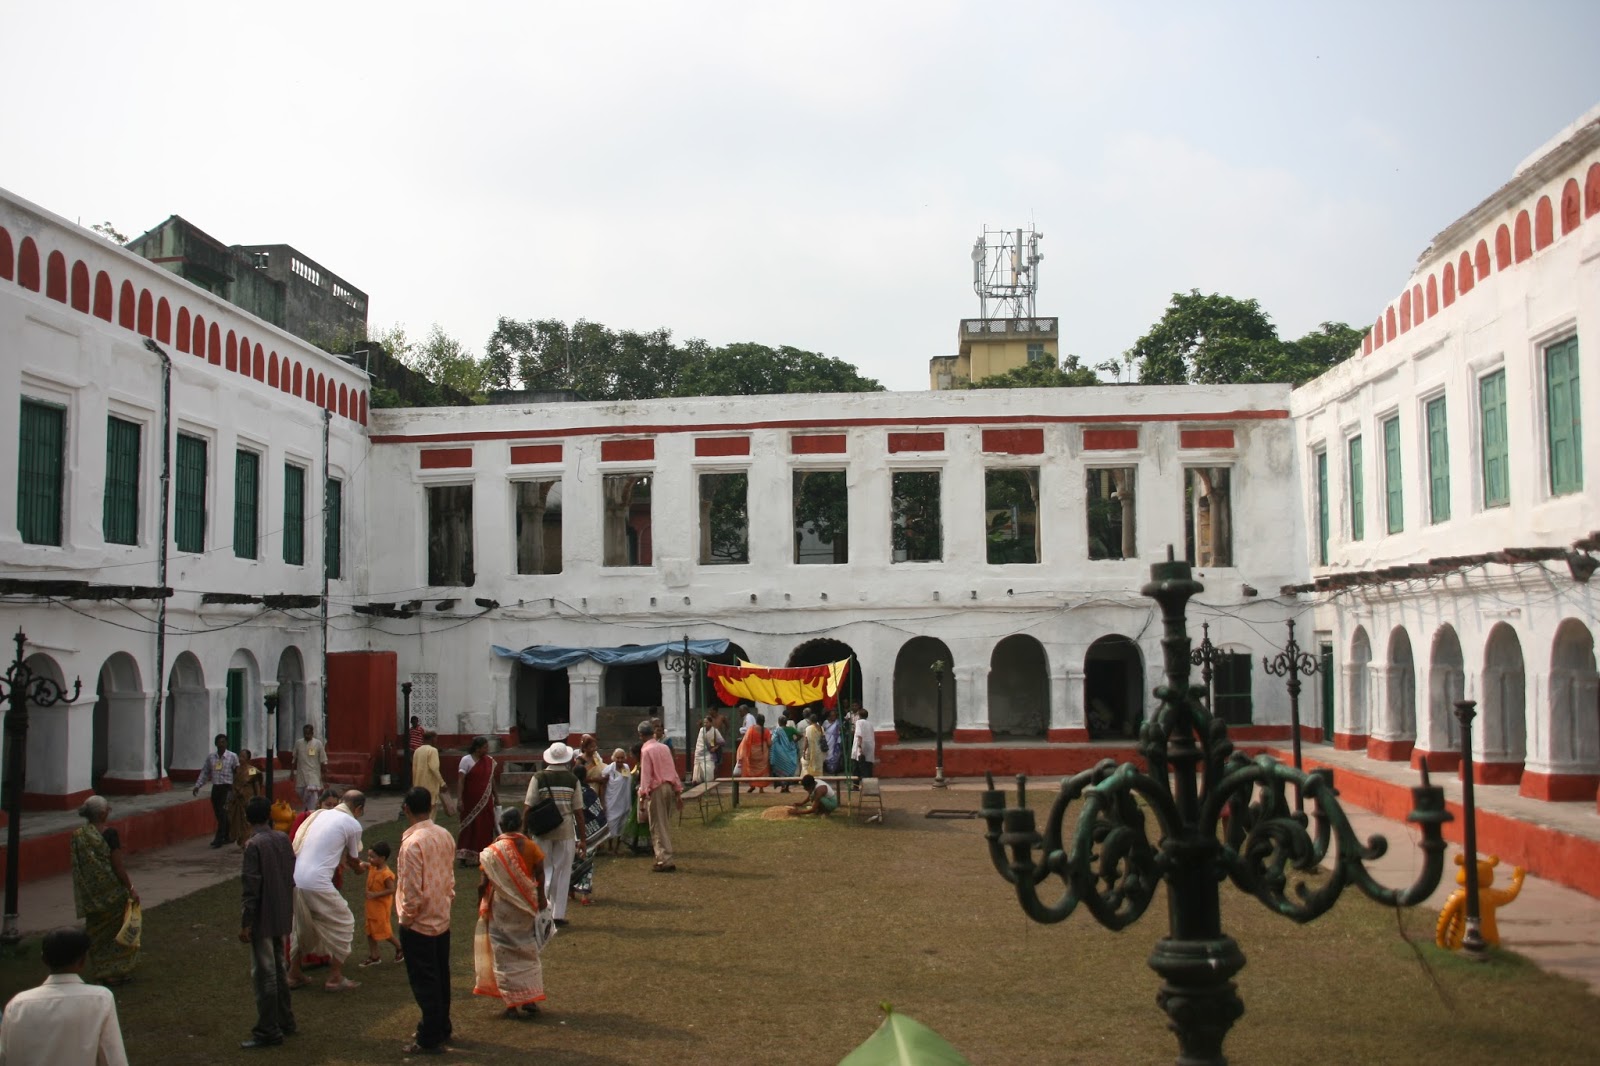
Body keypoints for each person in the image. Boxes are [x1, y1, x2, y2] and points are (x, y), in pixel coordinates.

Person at [0, 927, 128, 1065]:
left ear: (44, 959)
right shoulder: (101, 999)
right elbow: (113, 1058)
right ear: (82, 961)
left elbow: (5, 1056)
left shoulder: (17, 1005)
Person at [287, 790, 368, 993]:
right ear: (358, 809)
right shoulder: (352, 824)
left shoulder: (320, 814)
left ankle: (294, 973)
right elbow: (353, 861)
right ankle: (335, 977)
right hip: (317, 881)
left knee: (302, 924)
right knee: (345, 922)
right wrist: (362, 868)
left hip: (297, 878)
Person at [397, 785, 457, 1056]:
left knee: (425, 981)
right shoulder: (444, 835)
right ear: (431, 806)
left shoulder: (412, 844)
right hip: (440, 915)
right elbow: (448, 876)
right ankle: (441, 1026)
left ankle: (431, 1036)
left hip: (420, 922)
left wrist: (407, 920)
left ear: (406, 809)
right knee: (440, 976)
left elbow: (412, 892)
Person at [473, 807, 549, 1019]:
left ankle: (511, 1005)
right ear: (520, 825)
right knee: (527, 951)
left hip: (502, 908)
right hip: (526, 906)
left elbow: (483, 883)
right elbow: (540, 873)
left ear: (502, 826)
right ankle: (530, 1000)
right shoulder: (531, 846)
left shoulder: (492, 851)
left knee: (503, 954)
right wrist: (541, 899)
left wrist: (480, 902)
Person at [239, 795, 296, 1050]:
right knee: (279, 968)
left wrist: (246, 922)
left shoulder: (254, 845)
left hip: (263, 914)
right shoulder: (282, 839)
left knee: (266, 974)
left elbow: (251, 886)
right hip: (282, 910)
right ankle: (285, 1020)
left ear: (248, 819)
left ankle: (268, 1029)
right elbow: (290, 873)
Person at [68, 795, 139, 986]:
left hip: (91, 895)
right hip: (113, 893)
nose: (109, 811)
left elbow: (80, 867)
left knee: (97, 934)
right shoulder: (110, 834)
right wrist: (130, 888)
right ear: (101, 813)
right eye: (107, 809)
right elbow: (118, 867)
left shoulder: (78, 836)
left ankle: (101, 971)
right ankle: (116, 971)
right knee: (118, 932)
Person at [524, 743, 585, 925]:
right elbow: (579, 812)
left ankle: (542, 911)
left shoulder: (539, 777)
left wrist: (523, 831)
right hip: (565, 829)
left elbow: (528, 806)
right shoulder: (573, 780)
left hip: (542, 830)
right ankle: (558, 914)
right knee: (562, 871)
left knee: (543, 870)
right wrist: (582, 839)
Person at [636, 718, 682, 873]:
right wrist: (677, 791)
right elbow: (672, 770)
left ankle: (664, 859)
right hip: (668, 787)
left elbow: (646, 775)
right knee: (664, 822)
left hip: (656, 789)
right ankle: (664, 856)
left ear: (641, 735)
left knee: (657, 824)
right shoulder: (664, 748)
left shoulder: (646, 750)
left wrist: (643, 794)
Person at [454, 736, 498, 867]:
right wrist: (459, 799)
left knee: (486, 826)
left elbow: (492, 780)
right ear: (477, 749)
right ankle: (463, 857)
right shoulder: (465, 760)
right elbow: (461, 781)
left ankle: (484, 855)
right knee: (468, 827)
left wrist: (497, 797)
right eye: (485, 747)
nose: (487, 749)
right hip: (470, 801)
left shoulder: (489, 761)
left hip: (486, 801)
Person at [193, 733, 241, 848]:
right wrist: (197, 785)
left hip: (227, 788)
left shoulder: (232, 756)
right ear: (215, 744)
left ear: (226, 743)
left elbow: (237, 772)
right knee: (219, 813)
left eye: (223, 742)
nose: (221, 744)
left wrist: (236, 788)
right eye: (219, 742)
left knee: (223, 812)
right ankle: (228, 834)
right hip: (216, 788)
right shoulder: (211, 758)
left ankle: (219, 839)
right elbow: (205, 772)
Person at [360, 841, 404, 967]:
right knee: (370, 931)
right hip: (371, 906)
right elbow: (369, 866)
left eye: (372, 857)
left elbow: (392, 889)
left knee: (384, 931)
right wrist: (363, 864)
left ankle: (400, 947)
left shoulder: (386, 874)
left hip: (380, 907)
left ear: (382, 858)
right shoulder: (374, 867)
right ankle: (374, 956)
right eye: (369, 856)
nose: (370, 859)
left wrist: (375, 895)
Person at [227, 750, 266, 847]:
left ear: (248, 759)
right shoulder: (236, 770)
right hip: (237, 800)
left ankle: (246, 840)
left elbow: (256, 784)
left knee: (247, 821)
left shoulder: (252, 770)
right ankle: (240, 839)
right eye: (240, 756)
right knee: (237, 821)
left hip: (248, 799)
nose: (241, 758)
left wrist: (257, 797)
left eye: (243, 756)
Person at [600, 748, 632, 855]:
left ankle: (617, 847)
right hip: (611, 801)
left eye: (622, 758)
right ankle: (609, 846)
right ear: (614, 758)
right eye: (618, 758)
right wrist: (603, 801)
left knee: (622, 824)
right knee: (611, 822)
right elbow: (603, 785)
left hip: (623, 801)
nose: (620, 760)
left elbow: (626, 783)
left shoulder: (626, 768)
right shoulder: (609, 769)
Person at [412, 730, 449, 817]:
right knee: (431, 813)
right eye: (436, 739)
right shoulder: (433, 751)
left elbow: (414, 769)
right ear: (432, 739)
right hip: (430, 787)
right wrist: (442, 783)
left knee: (420, 813)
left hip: (418, 787)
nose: (436, 741)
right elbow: (434, 768)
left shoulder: (417, 751)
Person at [292, 724, 328, 811]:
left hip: (313, 775)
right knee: (301, 792)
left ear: (312, 733)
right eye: (305, 733)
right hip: (301, 774)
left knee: (313, 796)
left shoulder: (318, 744)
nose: (307, 735)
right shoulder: (298, 743)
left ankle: (312, 812)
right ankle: (306, 810)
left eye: (308, 733)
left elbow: (323, 760)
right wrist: (292, 772)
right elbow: (294, 759)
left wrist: (324, 776)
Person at [735, 713, 771, 792]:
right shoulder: (766, 731)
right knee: (763, 771)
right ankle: (761, 788)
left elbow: (746, 741)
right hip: (763, 754)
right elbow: (769, 743)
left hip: (752, 753)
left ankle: (752, 785)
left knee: (752, 769)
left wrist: (743, 752)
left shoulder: (751, 729)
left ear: (756, 721)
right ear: (764, 721)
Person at [769, 714, 799, 792]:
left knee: (781, 770)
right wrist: (794, 741)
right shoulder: (791, 729)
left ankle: (783, 786)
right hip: (790, 753)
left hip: (781, 755)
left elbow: (773, 741)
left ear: (779, 722)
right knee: (789, 770)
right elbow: (800, 735)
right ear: (786, 722)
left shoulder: (777, 731)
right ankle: (787, 787)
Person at [691, 715, 723, 785]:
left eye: (707, 722)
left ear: (711, 723)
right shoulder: (701, 730)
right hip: (699, 753)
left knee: (708, 772)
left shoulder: (714, 731)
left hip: (709, 754)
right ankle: (697, 783)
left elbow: (722, 742)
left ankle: (709, 785)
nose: (705, 724)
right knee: (697, 774)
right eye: (704, 722)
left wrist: (715, 748)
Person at [852, 706, 876, 785]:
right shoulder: (870, 724)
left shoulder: (859, 722)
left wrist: (859, 746)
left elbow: (859, 735)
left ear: (859, 715)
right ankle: (869, 785)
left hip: (861, 746)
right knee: (868, 766)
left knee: (857, 767)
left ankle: (856, 785)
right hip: (869, 746)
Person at [823, 707, 843, 774]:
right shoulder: (825, 722)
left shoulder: (837, 722)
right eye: (832, 715)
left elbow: (841, 730)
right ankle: (828, 769)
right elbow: (823, 731)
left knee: (836, 755)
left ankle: (834, 769)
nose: (833, 717)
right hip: (828, 741)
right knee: (827, 755)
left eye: (834, 715)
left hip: (835, 741)